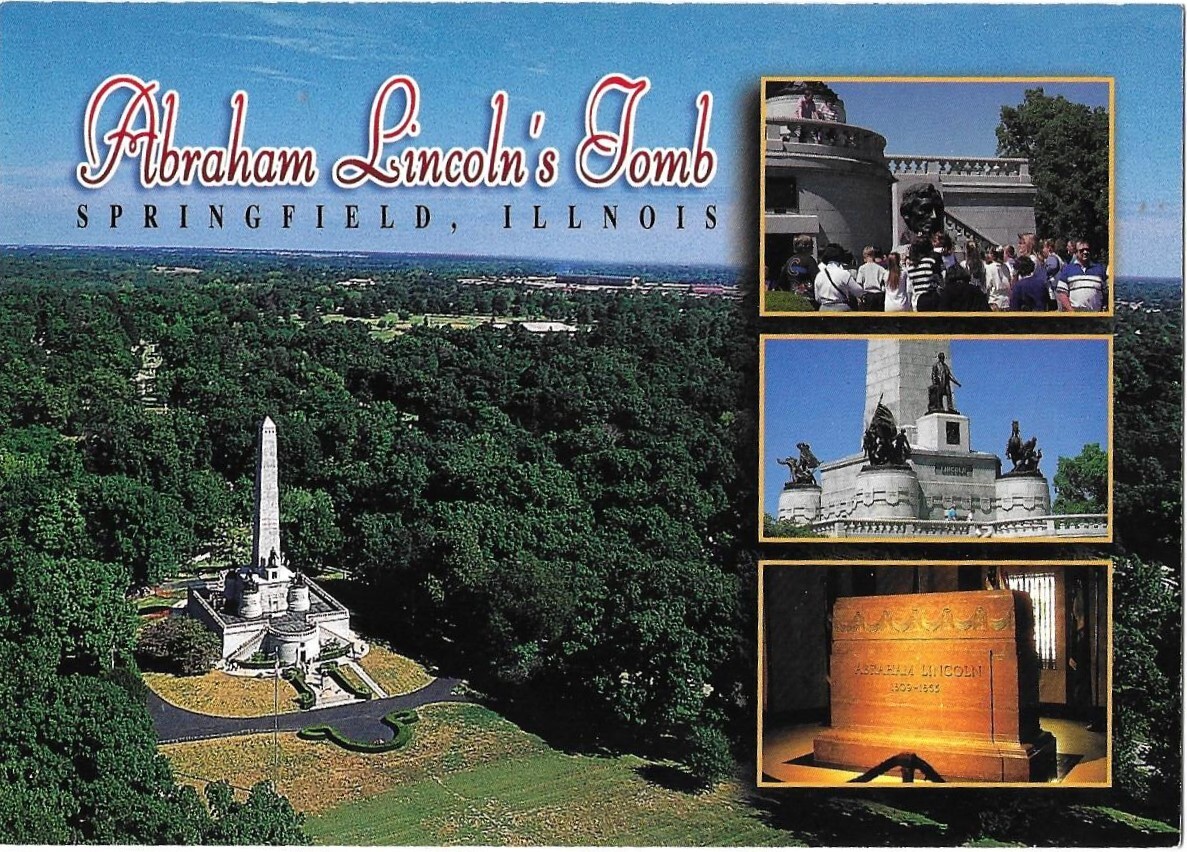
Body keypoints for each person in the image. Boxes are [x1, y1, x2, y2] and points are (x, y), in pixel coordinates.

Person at [1055, 240, 1109, 311]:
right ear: (1076, 253)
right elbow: (1062, 293)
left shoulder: (1100, 269)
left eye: (1087, 250)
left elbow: (1106, 293)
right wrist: (1071, 311)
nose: (1085, 252)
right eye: (1082, 250)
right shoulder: (1067, 270)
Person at [813, 243, 864, 311]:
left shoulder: (819, 275)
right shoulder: (844, 274)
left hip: (823, 308)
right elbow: (858, 291)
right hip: (841, 308)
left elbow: (817, 298)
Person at [908, 238, 943, 311]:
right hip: (931, 298)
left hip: (917, 300)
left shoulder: (911, 267)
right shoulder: (930, 262)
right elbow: (939, 280)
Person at [854, 245, 888, 311]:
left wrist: (859, 297)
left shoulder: (862, 268)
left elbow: (859, 283)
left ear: (864, 256)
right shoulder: (880, 268)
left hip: (867, 295)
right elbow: (885, 281)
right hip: (879, 295)